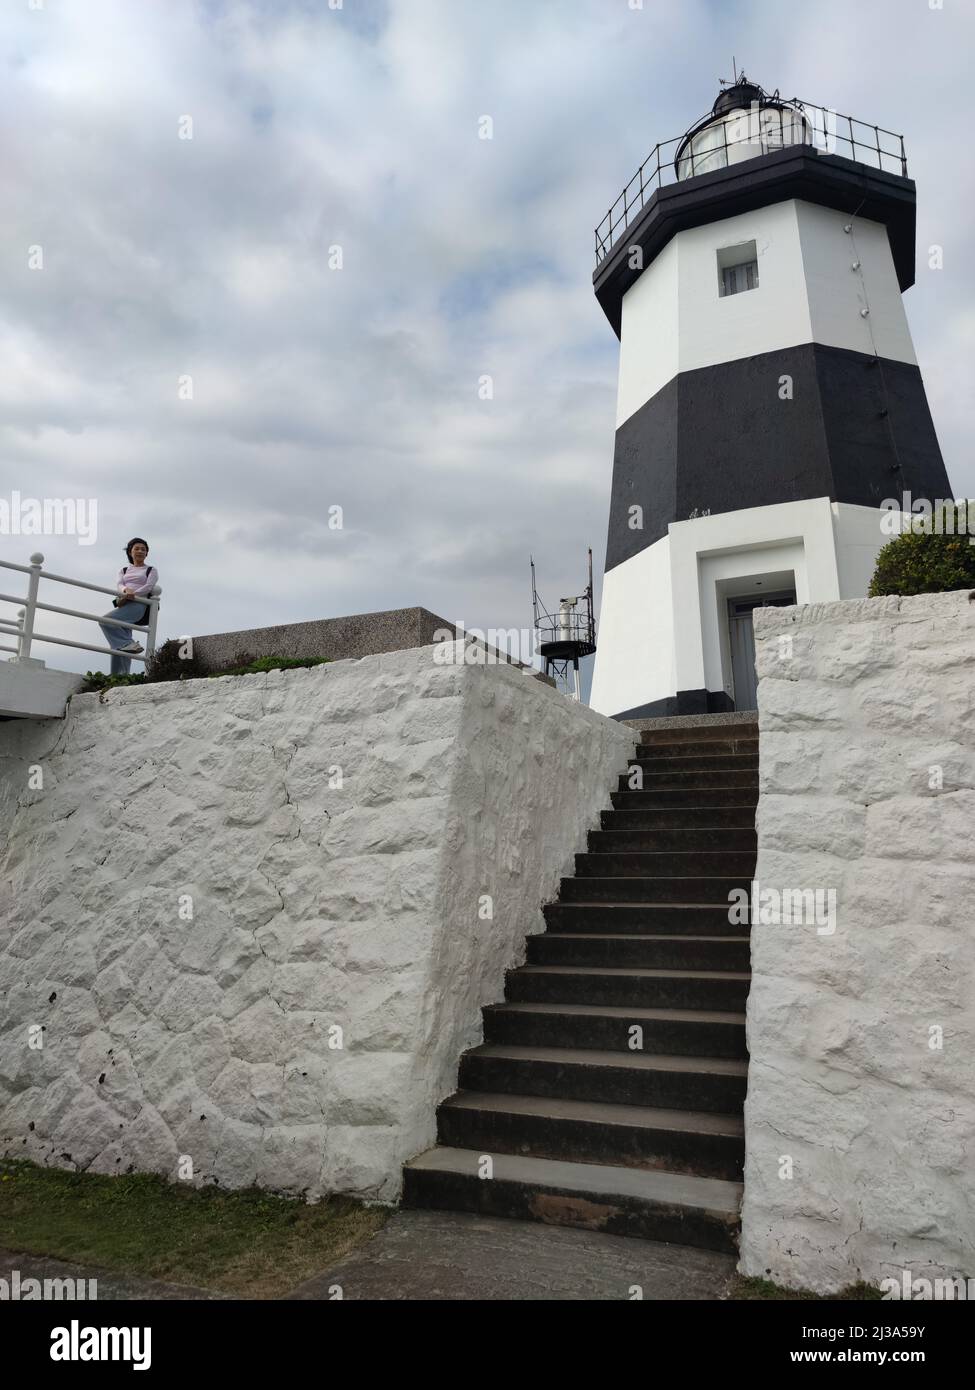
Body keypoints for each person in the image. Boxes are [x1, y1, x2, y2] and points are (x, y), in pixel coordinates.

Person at [98, 538, 159, 675]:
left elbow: (148, 587)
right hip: (124, 604)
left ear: (147, 553)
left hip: (138, 605)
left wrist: (132, 595)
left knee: (105, 621)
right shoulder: (124, 570)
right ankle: (119, 675)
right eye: (137, 548)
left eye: (143, 549)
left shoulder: (151, 570)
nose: (140, 551)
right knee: (119, 645)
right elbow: (120, 584)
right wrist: (126, 591)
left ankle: (129, 643)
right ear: (130, 552)